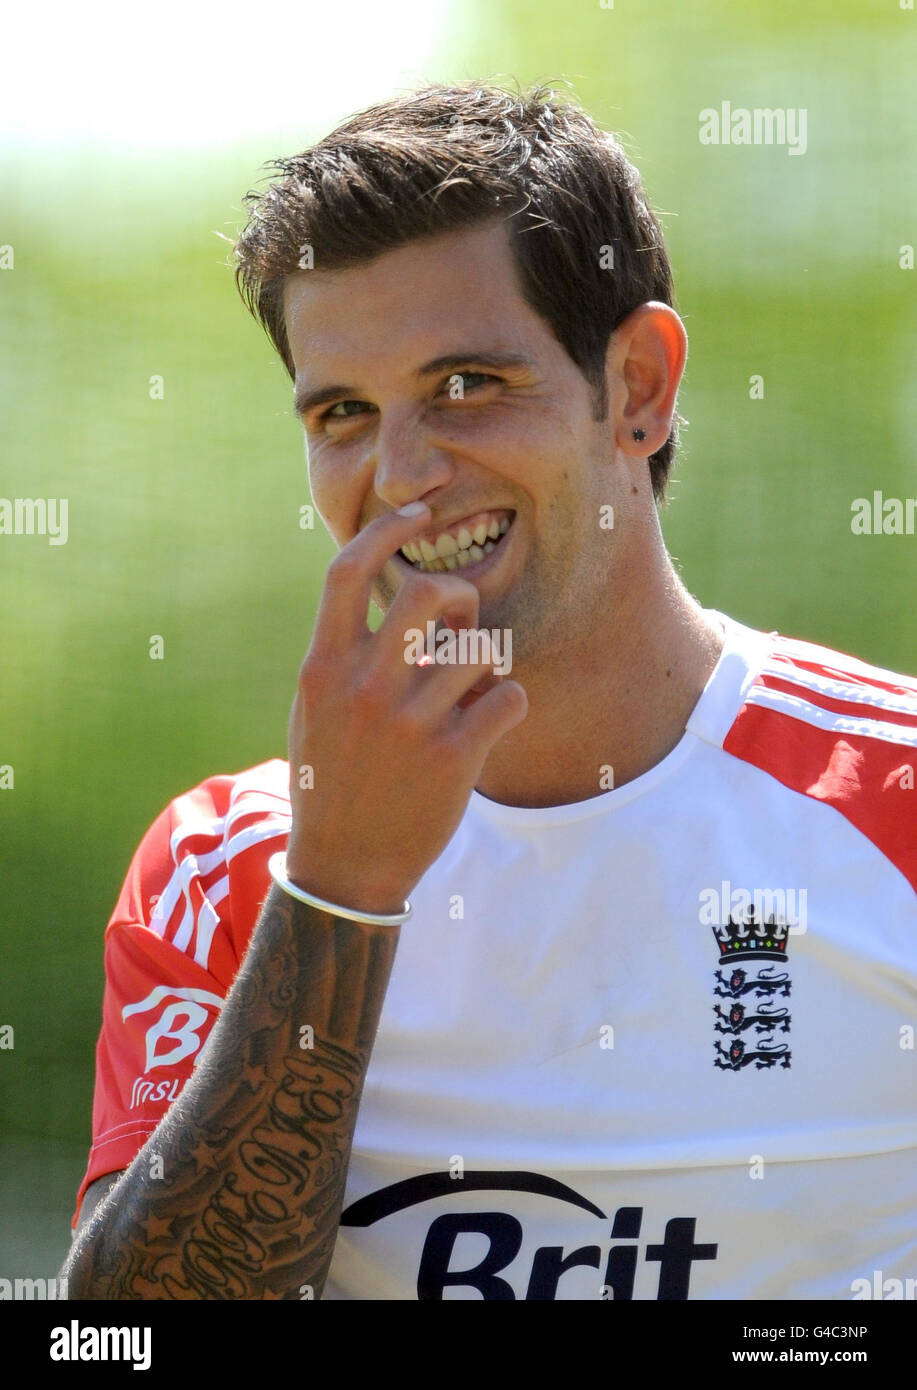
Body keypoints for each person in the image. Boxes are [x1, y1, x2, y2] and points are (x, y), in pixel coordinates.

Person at [62, 82, 917, 1301]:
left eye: (465, 383)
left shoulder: (893, 796)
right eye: (344, 412)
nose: (402, 476)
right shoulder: (224, 867)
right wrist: (338, 896)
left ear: (637, 387)